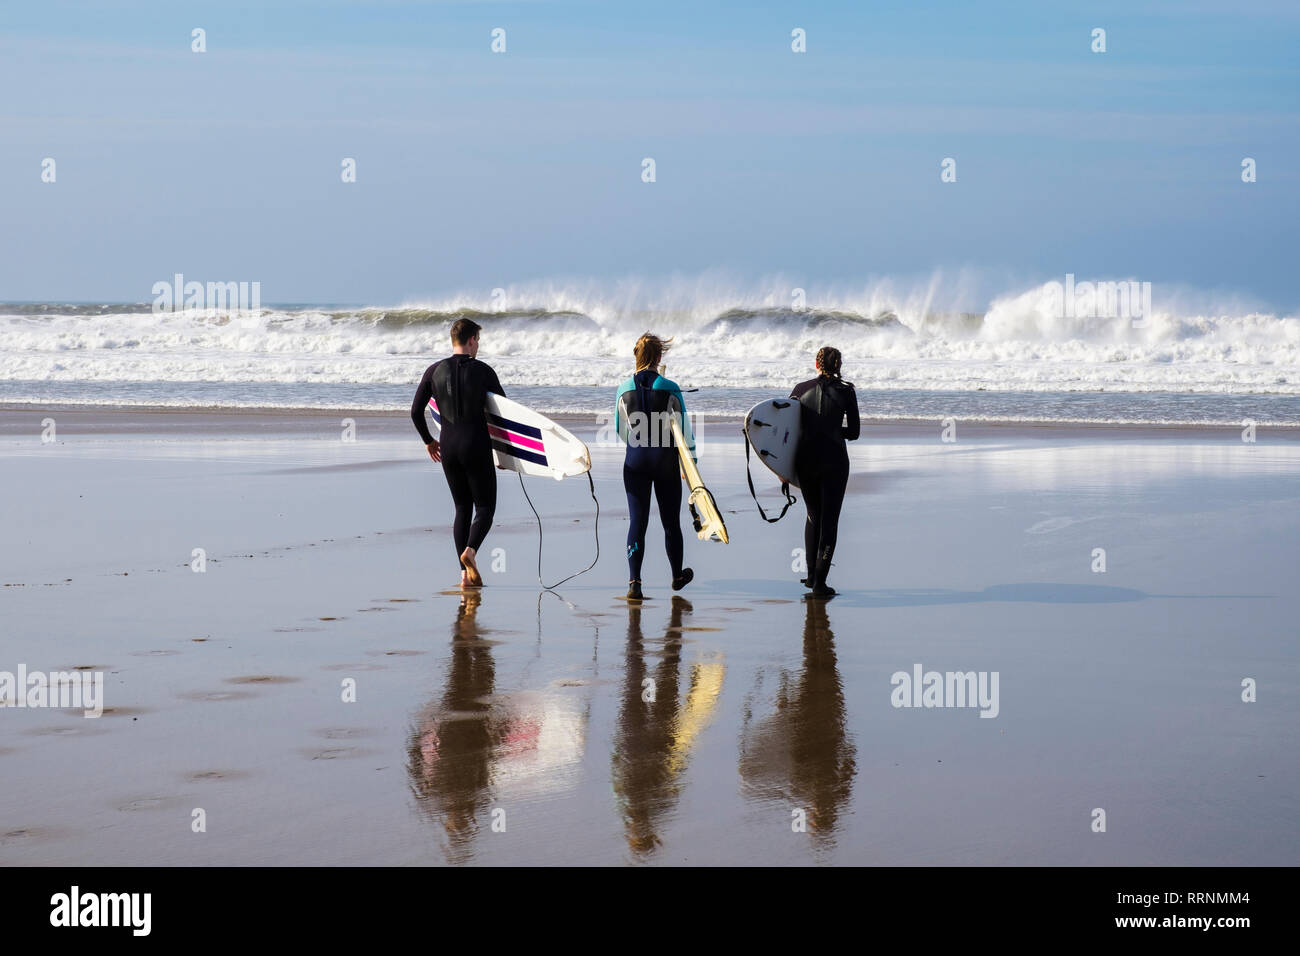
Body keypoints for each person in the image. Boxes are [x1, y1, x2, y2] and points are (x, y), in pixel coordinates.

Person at [411, 318, 505, 589]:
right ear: (472, 340)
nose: (478, 346)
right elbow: (503, 416)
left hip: (448, 446)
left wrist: (429, 441)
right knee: (485, 508)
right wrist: (504, 454)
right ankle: (471, 551)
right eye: (478, 341)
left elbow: (415, 411)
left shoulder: (433, 371)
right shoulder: (484, 371)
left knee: (461, 508)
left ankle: (464, 576)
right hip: (476, 444)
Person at [615, 333, 695, 601]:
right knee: (670, 522)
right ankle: (676, 576)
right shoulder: (669, 386)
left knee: (638, 521)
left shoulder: (623, 388)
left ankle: (634, 582)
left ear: (636, 356)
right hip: (665, 460)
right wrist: (690, 465)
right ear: (659, 357)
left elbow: (620, 431)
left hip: (635, 460)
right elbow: (684, 430)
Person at [791, 346, 859, 597]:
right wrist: (830, 428)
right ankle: (820, 582)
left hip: (805, 460)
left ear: (816, 364)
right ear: (839, 365)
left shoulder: (799, 390)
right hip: (834, 461)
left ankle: (810, 577)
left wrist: (782, 468)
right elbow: (854, 432)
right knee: (829, 521)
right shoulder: (847, 391)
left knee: (812, 516)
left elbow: (786, 430)